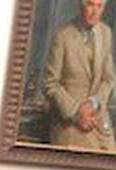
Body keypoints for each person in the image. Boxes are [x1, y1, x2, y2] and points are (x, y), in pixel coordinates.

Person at [45, 0, 116, 151]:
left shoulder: (105, 32)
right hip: (70, 122)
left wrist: (94, 102)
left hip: (99, 117)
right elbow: (50, 84)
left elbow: (109, 79)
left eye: (99, 6)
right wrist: (77, 111)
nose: (94, 11)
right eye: (90, 5)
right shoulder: (62, 36)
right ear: (81, 6)